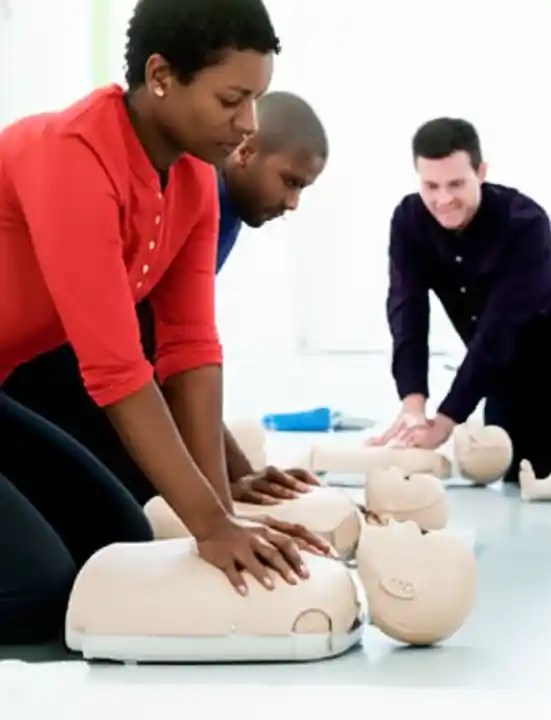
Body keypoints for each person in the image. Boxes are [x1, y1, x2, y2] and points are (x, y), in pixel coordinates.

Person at [0, 0, 330, 645]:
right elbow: (116, 367)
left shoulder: (195, 182)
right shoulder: (73, 154)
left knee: (119, 540)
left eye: (256, 99)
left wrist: (224, 512)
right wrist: (209, 525)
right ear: (160, 75)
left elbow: (190, 349)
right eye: (232, 99)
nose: (248, 123)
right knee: (38, 595)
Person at [3, 90, 330, 508]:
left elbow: (187, 351)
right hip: (64, 366)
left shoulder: (216, 205)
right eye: (290, 181)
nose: (293, 203)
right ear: (247, 152)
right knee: (137, 505)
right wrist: (221, 489)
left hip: (94, 366)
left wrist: (232, 476)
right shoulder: (194, 189)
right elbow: (148, 356)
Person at [371, 117, 551, 484]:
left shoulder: (523, 221)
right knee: (520, 465)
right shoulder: (408, 221)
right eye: (431, 185)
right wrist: (413, 406)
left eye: (456, 184)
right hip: (511, 359)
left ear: (481, 172)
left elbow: (499, 324)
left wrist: (448, 419)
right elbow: (406, 308)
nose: (443, 199)